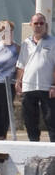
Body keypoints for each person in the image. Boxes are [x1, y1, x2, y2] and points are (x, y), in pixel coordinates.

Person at [15, 12, 55, 142]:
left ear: (46, 25)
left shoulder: (53, 42)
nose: (38, 26)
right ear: (31, 25)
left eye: (41, 23)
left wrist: (54, 85)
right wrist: (18, 81)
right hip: (28, 86)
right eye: (36, 23)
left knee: (51, 118)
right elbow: (21, 64)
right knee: (30, 118)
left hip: (47, 86)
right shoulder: (26, 43)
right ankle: (33, 143)